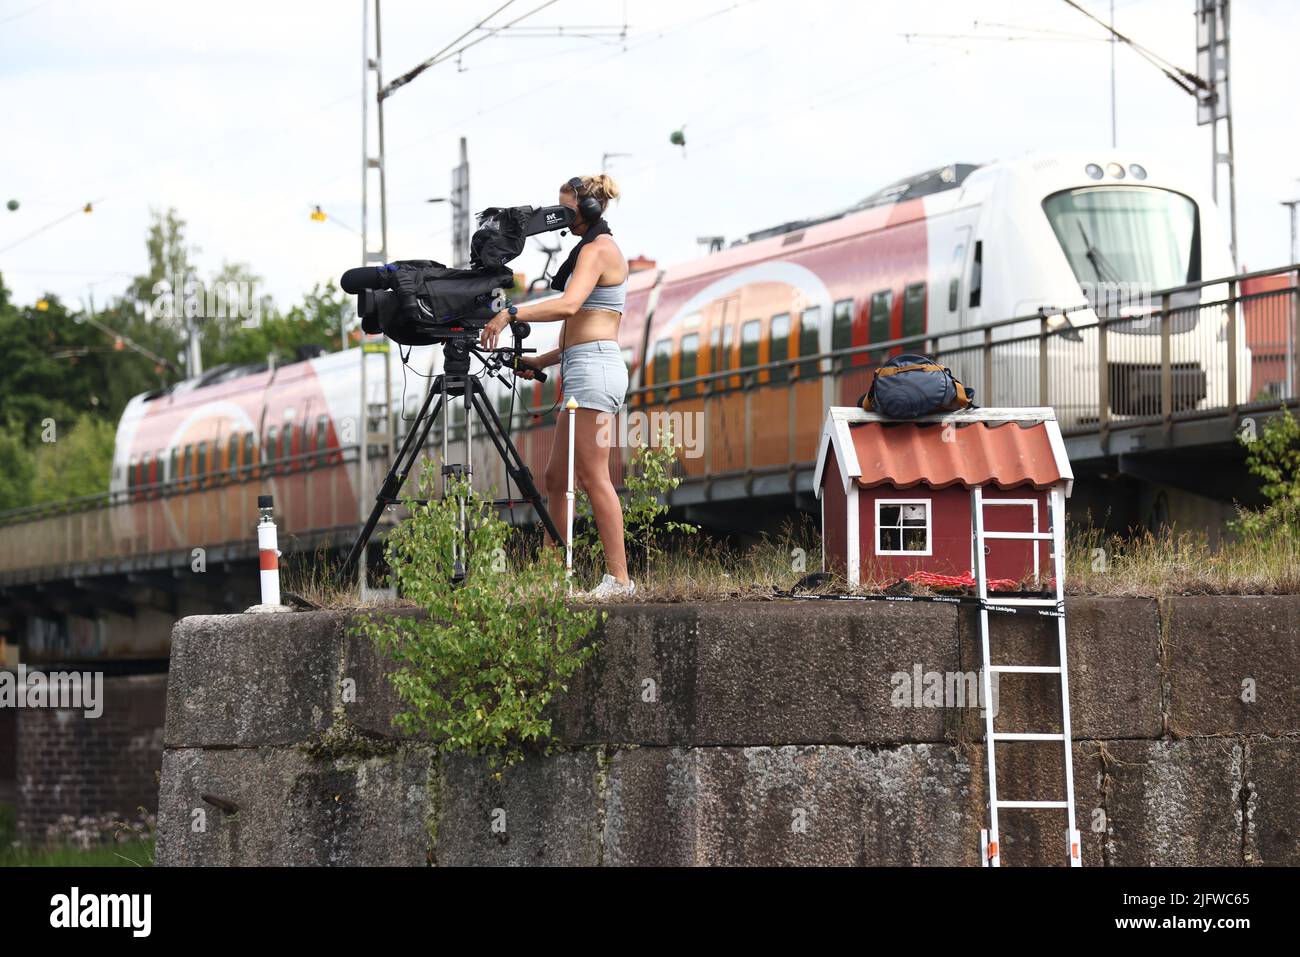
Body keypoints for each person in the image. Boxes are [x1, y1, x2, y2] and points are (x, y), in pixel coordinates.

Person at [479, 174, 633, 599]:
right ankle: (549, 580)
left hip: (596, 369)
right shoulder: (585, 250)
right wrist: (539, 361)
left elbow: (569, 306)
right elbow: (576, 327)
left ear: (589, 209)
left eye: (566, 209)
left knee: (591, 474)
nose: (559, 217)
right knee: (556, 477)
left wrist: (511, 314)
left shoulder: (600, 250)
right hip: (580, 366)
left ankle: (619, 580)